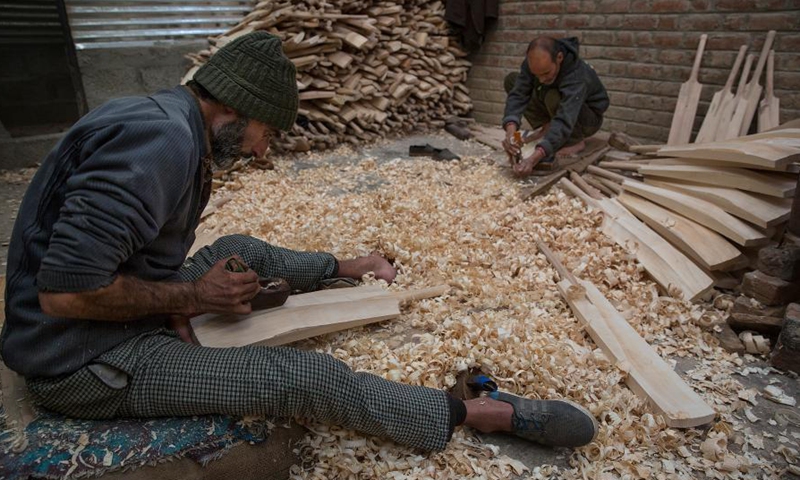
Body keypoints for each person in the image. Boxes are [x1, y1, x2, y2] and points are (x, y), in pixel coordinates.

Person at [0, 32, 598, 452]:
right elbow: (65, 297)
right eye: (265, 132)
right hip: (82, 359)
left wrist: (183, 300)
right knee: (301, 376)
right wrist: (189, 300)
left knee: (238, 247)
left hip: (116, 319)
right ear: (235, 108)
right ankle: (475, 413)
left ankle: (347, 266)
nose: (262, 150)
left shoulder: (173, 123)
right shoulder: (160, 144)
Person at [502, 36, 609, 177]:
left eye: (546, 73)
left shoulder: (577, 74)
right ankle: (548, 127)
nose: (541, 79)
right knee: (513, 80)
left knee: (553, 96)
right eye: (536, 75)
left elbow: (565, 117)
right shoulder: (534, 64)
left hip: (586, 119)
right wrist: (511, 132)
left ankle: (574, 141)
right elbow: (519, 94)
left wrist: (536, 156)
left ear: (559, 57)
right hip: (558, 106)